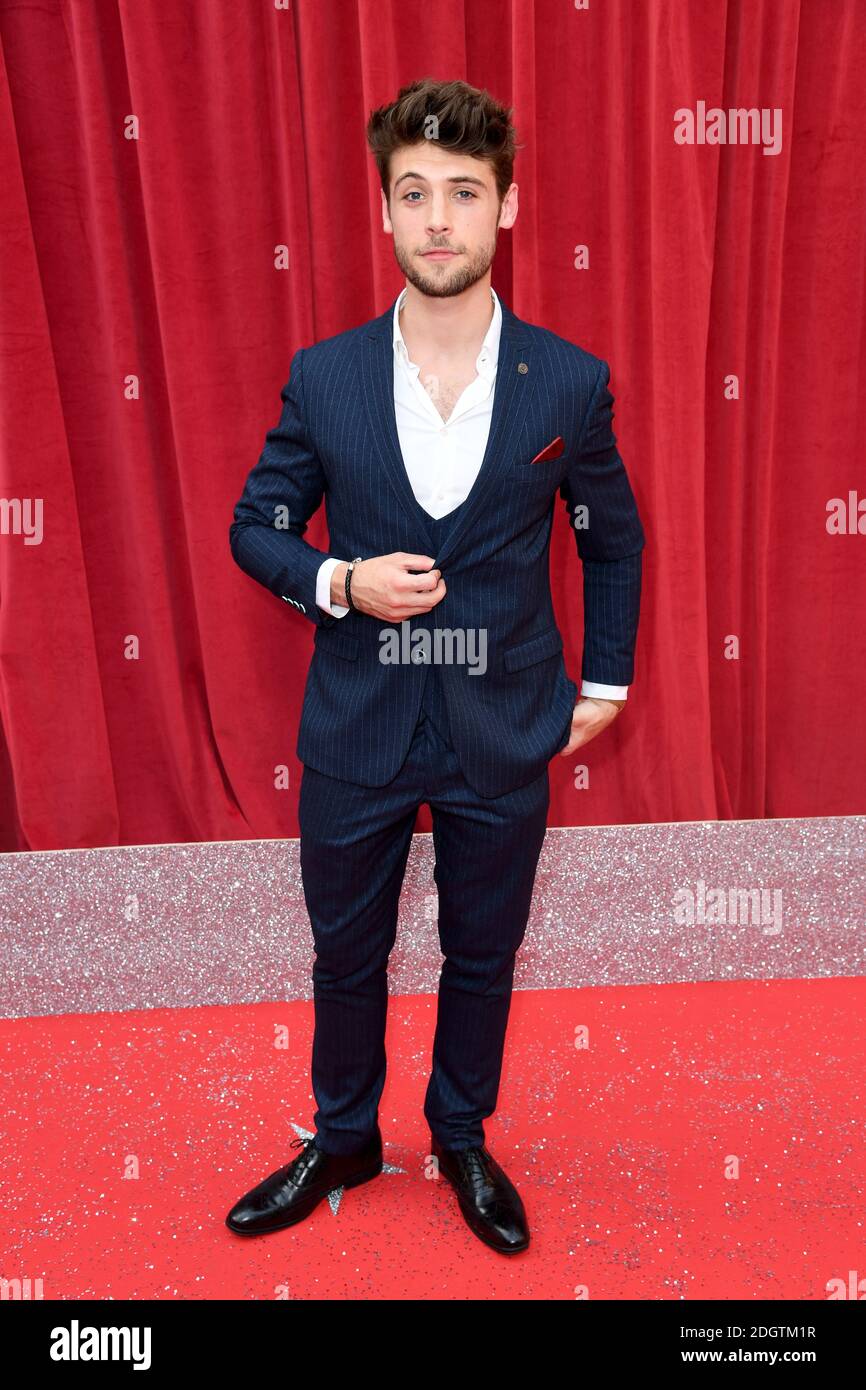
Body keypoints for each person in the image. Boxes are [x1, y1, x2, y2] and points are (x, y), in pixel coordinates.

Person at [225, 77, 645, 1254]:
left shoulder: (567, 381)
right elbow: (253, 524)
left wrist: (602, 686)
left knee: (482, 946)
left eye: (463, 192)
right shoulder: (325, 375)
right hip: (356, 721)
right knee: (345, 947)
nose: (438, 219)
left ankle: (459, 1132)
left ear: (503, 207)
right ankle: (343, 1132)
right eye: (414, 194)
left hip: (502, 720)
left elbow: (611, 537)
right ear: (386, 215)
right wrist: (335, 580)